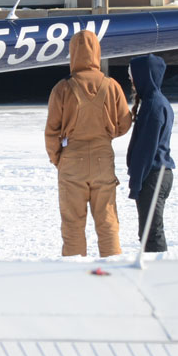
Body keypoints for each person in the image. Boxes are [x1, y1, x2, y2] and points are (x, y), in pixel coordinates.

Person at [44, 30, 132, 258]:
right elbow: (125, 122)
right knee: (107, 220)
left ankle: (75, 275)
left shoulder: (62, 88)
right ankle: (113, 270)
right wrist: (107, 135)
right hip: (103, 159)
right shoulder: (112, 85)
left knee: (72, 223)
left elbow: (51, 132)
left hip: (72, 160)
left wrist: (59, 160)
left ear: (72, 53)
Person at [125, 54, 175, 252]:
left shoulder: (154, 105)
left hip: (153, 174)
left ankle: (160, 274)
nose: (130, 79)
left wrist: (136, 181)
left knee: (151, 234)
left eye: (132, 75)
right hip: (156, 173)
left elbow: (147, 148)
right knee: (148, 232)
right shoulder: (153, 102)